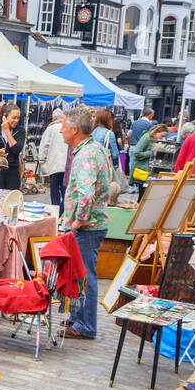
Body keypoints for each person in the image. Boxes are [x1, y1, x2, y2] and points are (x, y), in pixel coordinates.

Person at [57, 106, 112, 341]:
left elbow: (87, 193)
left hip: (88, 227)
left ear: (75, 130)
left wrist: (79, 220)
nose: (60, 131)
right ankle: (78, 317)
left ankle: (85, 325)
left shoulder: (87, 153)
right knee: (80, 274)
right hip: (91, 225)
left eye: (64, 127)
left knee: (85, 276)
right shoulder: (91, 148)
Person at [0, 103, 24, 193]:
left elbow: (16, 150)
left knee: (10, 201)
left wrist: (7, 132)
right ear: (5, 117)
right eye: (13, 117)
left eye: (18, 118)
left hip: (12, 170)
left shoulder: (20, 130)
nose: (16, 120)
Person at [37, 108, 68, 206]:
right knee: (65, 190)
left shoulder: (50, 129)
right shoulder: (67, 128)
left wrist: (42, 162)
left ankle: (57, 211)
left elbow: (43, 147)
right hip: (66, 165)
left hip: (54, 165)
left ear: (53, 118)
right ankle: (64, 211)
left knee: (54, 189)